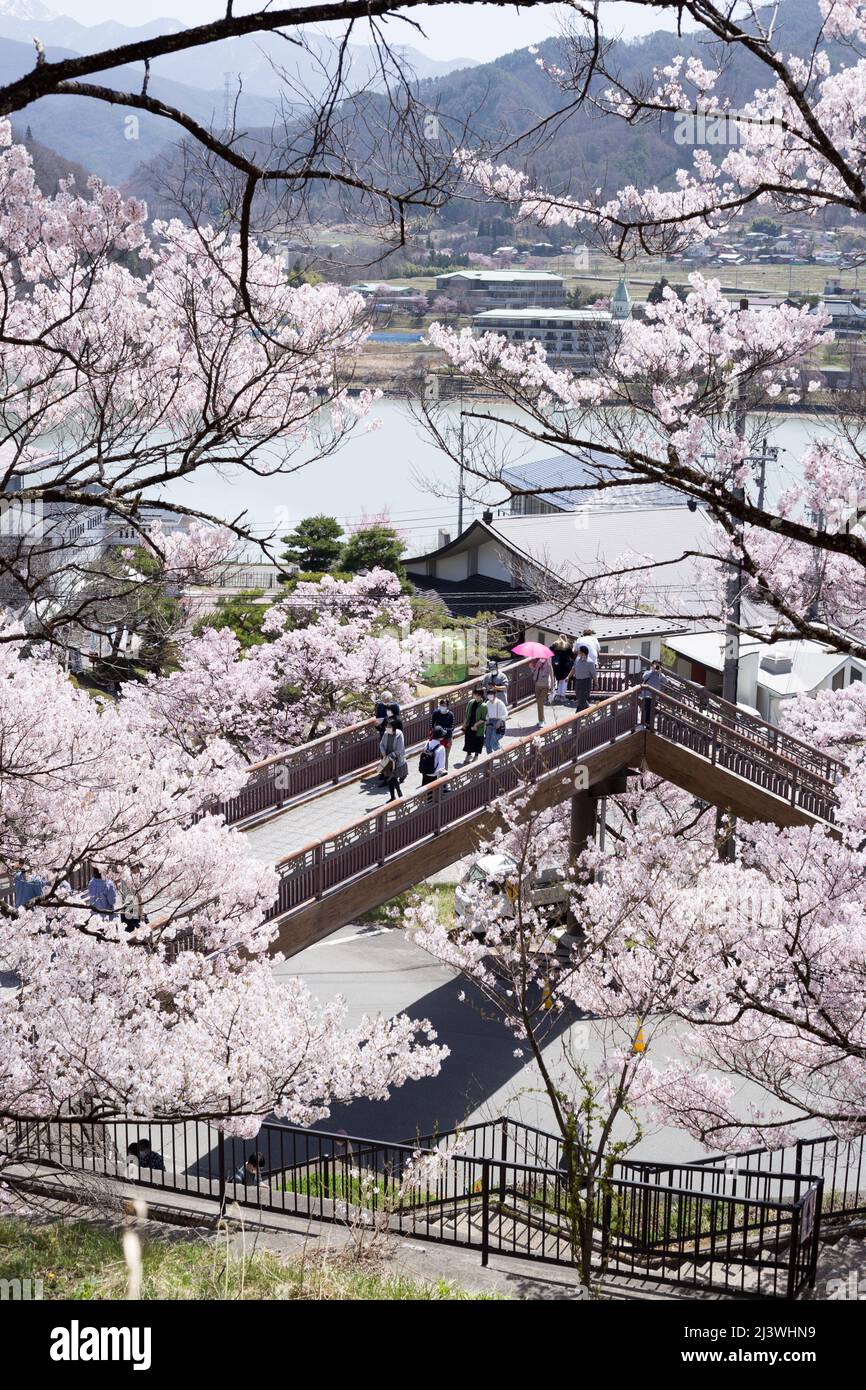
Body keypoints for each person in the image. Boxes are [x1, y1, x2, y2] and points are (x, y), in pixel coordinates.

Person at [379, 716, 408, 802]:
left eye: (389, 727)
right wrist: (384, 753)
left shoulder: (399, 734)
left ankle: (397, 794)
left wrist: (388, 756)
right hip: (387, 758)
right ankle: (395, 795)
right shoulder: (385, 734)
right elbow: (381, 744)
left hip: (396, 759)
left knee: (392, 777)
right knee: (390, 777)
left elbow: (399, 750)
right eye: (386, 726)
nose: (387, 728)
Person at [461, 688, 487, 763]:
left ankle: (476, 756)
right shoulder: (471, 702)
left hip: (479, 727)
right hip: (470, 724)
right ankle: (468, 754)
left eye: (475, 694)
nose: (474, 696)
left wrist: (476, 725)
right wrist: (464, 723)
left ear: (479, 695)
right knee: (468, 739)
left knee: (478, 740)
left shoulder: (484, 705)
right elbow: (467, 714)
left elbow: (484, 718)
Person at [569, 644, 597, 712]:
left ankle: (576, 717)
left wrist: (596, 683)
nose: (578, 653)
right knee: (580, 698)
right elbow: (574, 669)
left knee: (582, 699)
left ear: (583, 653)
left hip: (586, 682)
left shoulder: (590, 662)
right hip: (578, 681)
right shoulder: (577, 659)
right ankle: (590, 711)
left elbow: (594, 674)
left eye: (579, 652)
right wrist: (568, 677)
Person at [431, 696, 455, 769]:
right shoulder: (436, 713)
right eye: (441, 705)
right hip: (437, 738)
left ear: (447, 706)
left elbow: (452, 727)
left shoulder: (451, 715)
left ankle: (445, 772)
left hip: (447, 738)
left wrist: (442, 729)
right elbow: (431, 724)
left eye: (444, 705)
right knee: (436, 755)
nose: (442, 707)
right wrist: (435, 731)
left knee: (445, 756)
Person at [484, 686, 508, 754]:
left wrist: (500, 721)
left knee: (493, 743)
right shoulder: (487, 703)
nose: (490, 696)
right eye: (488, 695)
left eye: (491, 694)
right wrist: (487, 720)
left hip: (498, 723)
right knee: (487, 743)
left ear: (494, 695)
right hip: (490, 723)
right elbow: (486, 715)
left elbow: (505, 713)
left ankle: (502, 755)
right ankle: (490, 760)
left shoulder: (500, 703)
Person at [530, 655, 553, 725]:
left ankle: (541, 721)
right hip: (537, 685)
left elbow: (552, 677)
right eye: (541, 657)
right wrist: (531, 668)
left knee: (540, 702)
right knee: (539, 703)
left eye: (543, 657)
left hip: (545, 686)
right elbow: (535, 672)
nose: (542, 658)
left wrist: (552, 688)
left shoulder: (549, 665)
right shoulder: (538, 663)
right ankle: (542, 719)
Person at [641, 660, 664, 728]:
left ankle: (649, 725)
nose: (656, 667)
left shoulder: (660, 674)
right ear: (652, 665)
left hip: (655, 696)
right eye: (654, 665)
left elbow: (665, 681)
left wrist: (659, 673)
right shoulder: (648, 672)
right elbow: (644, 677)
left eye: (657, 666)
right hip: (646, 695)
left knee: (652, 712)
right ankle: (647, 726)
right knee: (647, 710)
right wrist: (652, 671)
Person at [551, 636, 575, 703]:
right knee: (564, 681)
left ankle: (558, 695)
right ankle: (562, 696)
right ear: (565, 638)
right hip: (565, 666)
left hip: (556, 665)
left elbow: (550, 651)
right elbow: (572, 655)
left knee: (559, 680)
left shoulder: (554, 644)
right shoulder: (567, 645)